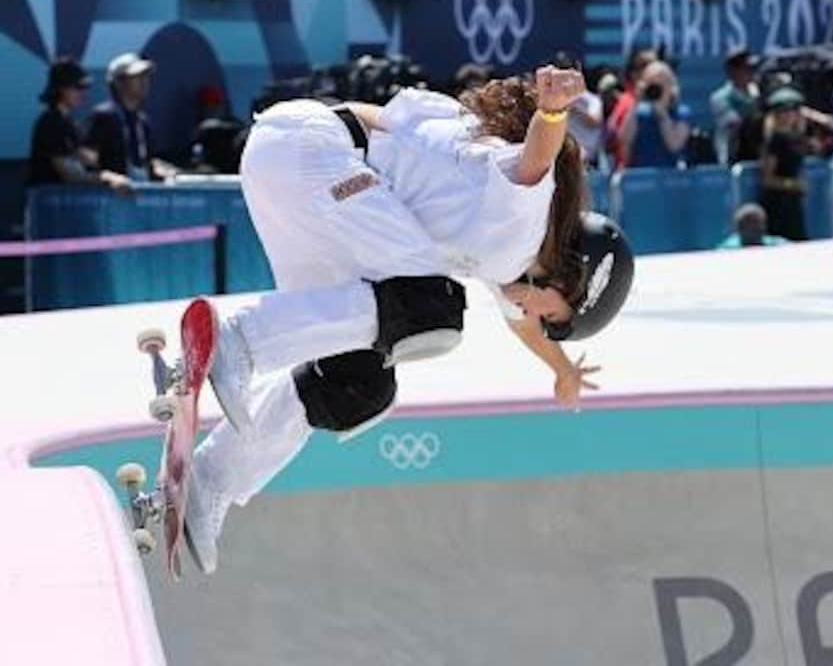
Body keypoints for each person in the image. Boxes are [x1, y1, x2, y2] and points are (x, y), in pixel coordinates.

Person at [183, 65, 636, 575]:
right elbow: (538, 159)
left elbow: (522, 325)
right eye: (552, 316)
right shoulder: (523, 221)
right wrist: (553, 111)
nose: (536, 317)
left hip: (294, 158)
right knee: (430, 310)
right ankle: (237, 341)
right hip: (317, 155)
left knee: (358, 383)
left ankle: (212, 477)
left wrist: (562, 370)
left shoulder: (500, 253)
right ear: (570, 276)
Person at [27, 57, 132, 193]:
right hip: (49, 203)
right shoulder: (51, 123)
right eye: (78, 87)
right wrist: (108, 178)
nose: (83, 93)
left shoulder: (69, 124)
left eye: (85, 87)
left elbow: (87, 159)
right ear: (61, 88)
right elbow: (70, 174)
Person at [757, 87, 833, 240]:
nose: (790, 115)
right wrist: (793, 184)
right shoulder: (774, 141)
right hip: (778, 203)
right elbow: (767, 179)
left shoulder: (797, 138)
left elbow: (829, 129)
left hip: (793, 201)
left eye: (794, 110)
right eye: (784, 111)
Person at [84, 52, 177, 182]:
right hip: (112, 193)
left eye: (145, 76)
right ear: (118, 82)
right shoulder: (104, 116)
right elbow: (88, 163)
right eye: (136, 77)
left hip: (141, 191)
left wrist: (158, 171)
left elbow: (145, 162)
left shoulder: (143, 121)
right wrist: (108, 178)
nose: (144, 81)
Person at [618, 60, 691, 168]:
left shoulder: (681, 112)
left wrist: (662, 114)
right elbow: (624, 140)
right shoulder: (639, 111)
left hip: (671, 173)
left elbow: (674, 145)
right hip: (641, 172)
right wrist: (636, 100)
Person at [709, 49, 761, 165]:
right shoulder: (720, 98)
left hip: (759, 155)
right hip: (732, 158)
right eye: (747, 69)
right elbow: (737, 124)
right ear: (732, 72)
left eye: (753, 69)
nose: (752, 73)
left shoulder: (758, 93)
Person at [718, 203, 789, 249]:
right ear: (738, 227)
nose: (752, 227)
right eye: (747, 224)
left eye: (756, 223)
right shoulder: (728, 249)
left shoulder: (777, 245)